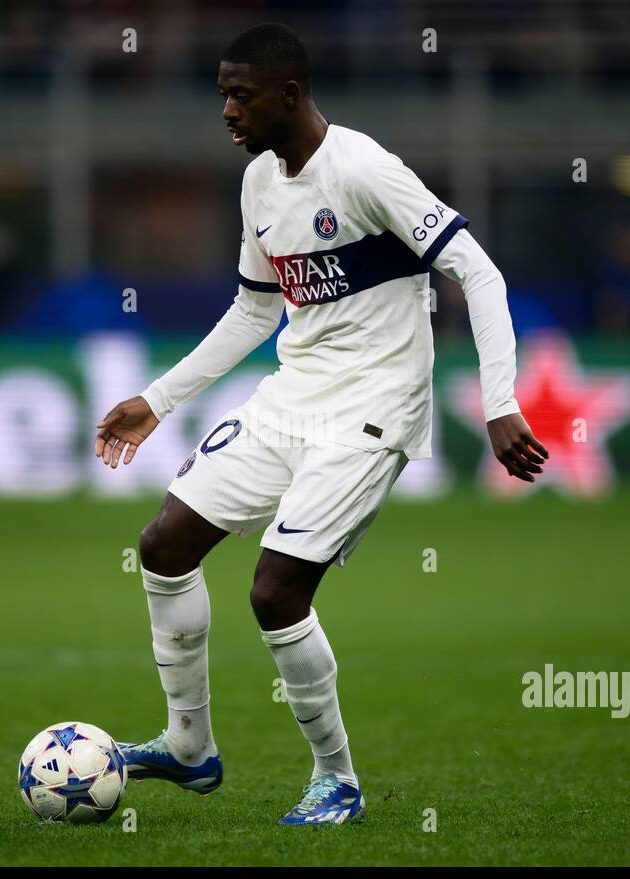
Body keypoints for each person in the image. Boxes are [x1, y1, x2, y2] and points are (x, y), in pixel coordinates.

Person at [94, 23, 546, 825]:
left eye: (241, 96)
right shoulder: (260, 183)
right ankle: (189, 747)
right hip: (293, 396)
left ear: (290, 95)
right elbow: (254, 309)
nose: (228, 112)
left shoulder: (365, 169)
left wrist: (500, 401)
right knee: (163, 545)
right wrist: (159, 398)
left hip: (373, 409)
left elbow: (477, 270)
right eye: (223, 95)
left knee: (275, 591)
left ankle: (336, 778)